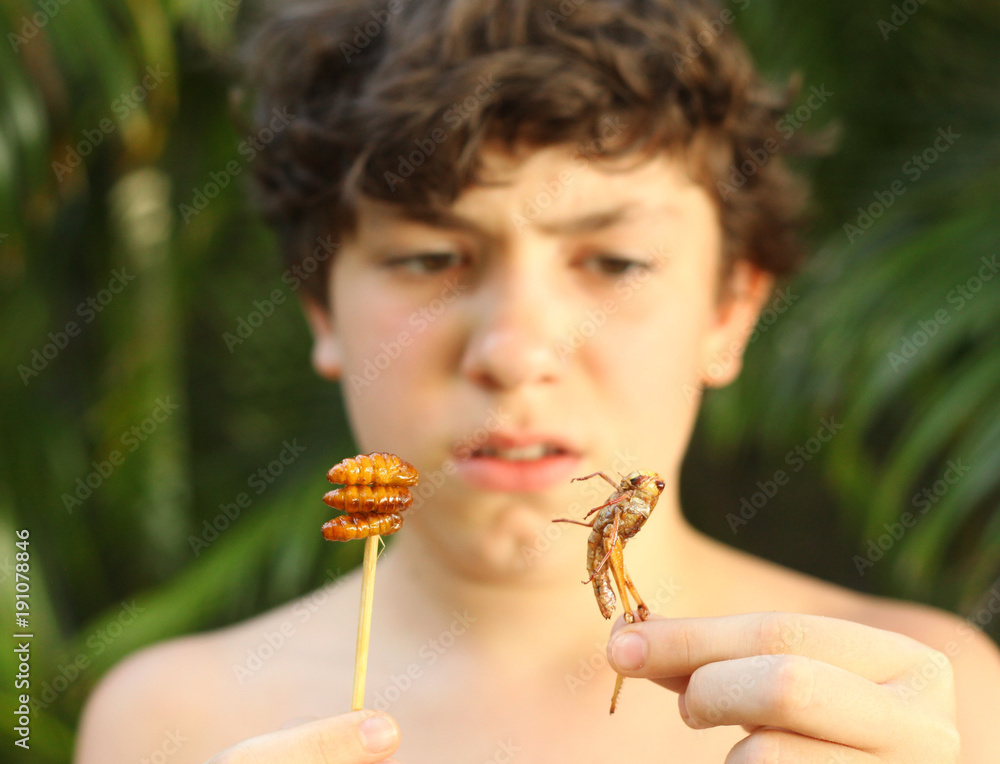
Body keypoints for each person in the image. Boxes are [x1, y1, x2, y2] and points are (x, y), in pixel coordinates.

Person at [75, 0, 1000, 762]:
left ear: (729, 310)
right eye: (430, 257)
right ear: (321, 308)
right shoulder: (166, 722)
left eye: (616, 262)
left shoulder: (922, 698)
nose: (517, 351)